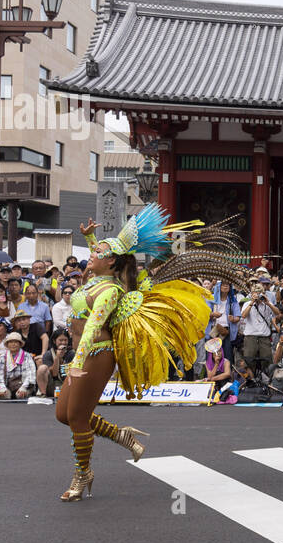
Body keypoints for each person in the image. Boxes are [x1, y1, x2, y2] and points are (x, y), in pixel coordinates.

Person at [53, 209, 238, 501]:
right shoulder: (97, 278)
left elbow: (92, 326)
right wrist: (90, 237)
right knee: (63, 414)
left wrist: (76, 362)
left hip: (97, 355)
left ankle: (82, 473)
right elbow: (102, 258)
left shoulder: (111, 290)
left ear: (111, 261)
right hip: (83, 354)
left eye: (98, 251)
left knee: (76, 417)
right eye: (95, 249)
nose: (93, 253)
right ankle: (121, 435)